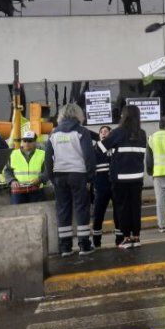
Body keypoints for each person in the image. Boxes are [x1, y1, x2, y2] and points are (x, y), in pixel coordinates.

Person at [45, 103, 97, 256]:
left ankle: (65, 247)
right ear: (78, 115)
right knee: (81, 208)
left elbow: (48, 159)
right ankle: (84, 245)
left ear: (61, 116)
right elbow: (89, 156)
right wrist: (90, 176)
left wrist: (52, 177)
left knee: (63, 210)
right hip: (78, 174)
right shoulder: (82, 132)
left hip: (59, 175)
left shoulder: (54, 134)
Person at [104, 104, 149, 249]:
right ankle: (136, 237)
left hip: (120, 178)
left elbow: (101, 148)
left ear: (124, 116)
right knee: (135, 207)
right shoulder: (142, 133)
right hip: (137, 178)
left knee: (122, 208)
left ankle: (126, 238)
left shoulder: (118, 132)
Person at [5, 129, 46, 204]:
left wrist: (40, 179)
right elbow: (7, 171)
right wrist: (12, 181)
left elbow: (47, 171)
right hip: (18, 192)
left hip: (36, 191)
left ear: (35, 142)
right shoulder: (14, 154)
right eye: (24, 141)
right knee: (18, 213)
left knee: (37, 213)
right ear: (21, 142)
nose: (27, 143)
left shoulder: (42, 154)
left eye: (30, 141)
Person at [148, 116, 165, 232]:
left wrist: (150, 171)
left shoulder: (152, 138)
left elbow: (149, 158)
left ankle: (162, 225)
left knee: (160, 202)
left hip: (158, 173)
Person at [91, 125, 114, 248]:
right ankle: (96, 241)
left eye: (106, 131)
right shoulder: (94, 149)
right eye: (101, 132)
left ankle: (120, 239)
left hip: (115, 186)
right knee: (98, 214)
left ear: (111, 134)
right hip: (101, 186)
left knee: (119, 214)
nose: (103, 133)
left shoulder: (115, 147)